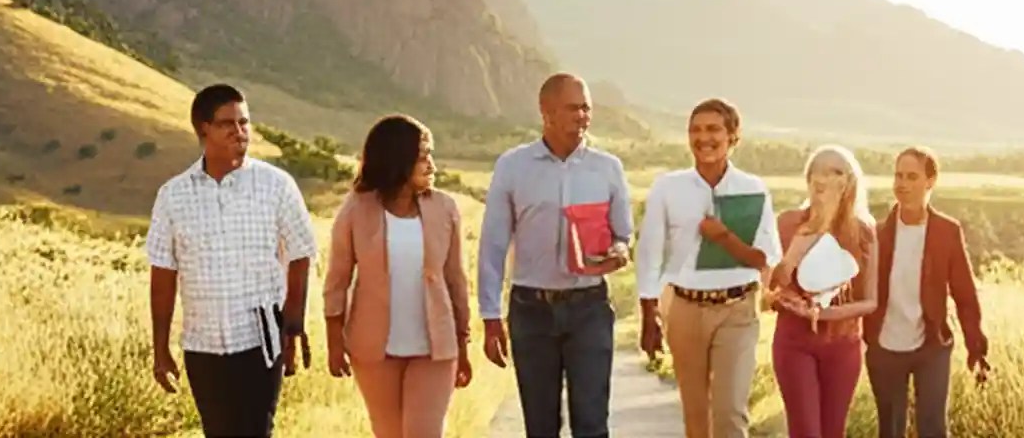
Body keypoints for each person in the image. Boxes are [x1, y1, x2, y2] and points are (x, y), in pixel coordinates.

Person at [145, 84, 318, 438]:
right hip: (201, 343)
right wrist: (160, 349)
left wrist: (293, 322)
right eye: (228, 124)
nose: (240, 132)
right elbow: (163, 273)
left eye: (245, 123)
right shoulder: (173, 196)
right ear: (203, 129)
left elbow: (302, 253)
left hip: (260, 337)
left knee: (256, 431)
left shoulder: (276, 185)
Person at [477, 72, 634, 438]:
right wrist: (489, 315)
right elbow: (493, 244)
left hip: (589, 308)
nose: (583, 116)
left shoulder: (608, 168)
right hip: (531, 310)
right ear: (545, 111)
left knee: (592, 424)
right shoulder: (512, 167)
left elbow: (624, 235)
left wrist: (619, 252)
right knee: (541, 427)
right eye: (573, 108)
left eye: (587, 108)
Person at [636, 98, 783, 438]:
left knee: (730, 414)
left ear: (733, 137)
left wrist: (724, 237)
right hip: (684, 309)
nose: (704, 137)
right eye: (696, 130)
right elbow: (650, 253)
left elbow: (763, 258)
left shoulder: (753, 189)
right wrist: (649, 313)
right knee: (696, 417)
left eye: (714, 129)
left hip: (738, 309)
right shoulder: (667, 188)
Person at [322, 114, 473, 438]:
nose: (431, 164)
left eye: (431, 154)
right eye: (422, 156)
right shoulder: (356, 209)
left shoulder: (445, 208)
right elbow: (337, 279)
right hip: (374, 351)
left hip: (435, 350)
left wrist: (463, 343)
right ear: (397, 160)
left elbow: (456, 279)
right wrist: (335, 341)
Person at [862, 146, 990, 438]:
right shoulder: (876, 233)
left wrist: (977, 348)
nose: (902, 184)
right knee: (890, 430)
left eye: (911, 176)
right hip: (884, 347)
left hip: (931, 346)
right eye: (898, 176)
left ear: (930, 181)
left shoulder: (947, 231)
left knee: (933, 428)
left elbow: (965, 294)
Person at [765, 145, 878, 438]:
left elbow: (871, 301)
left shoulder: (864, 231)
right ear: (808, 179)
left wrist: (825, 313)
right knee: (806, 433)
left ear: (849, 183)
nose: (824, 178)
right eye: (818, 170)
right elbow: (772, 289)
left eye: (835, 172)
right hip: (794, 343)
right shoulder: (788, 223)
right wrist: (803, 243)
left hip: (844, 346)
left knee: (833, 433)